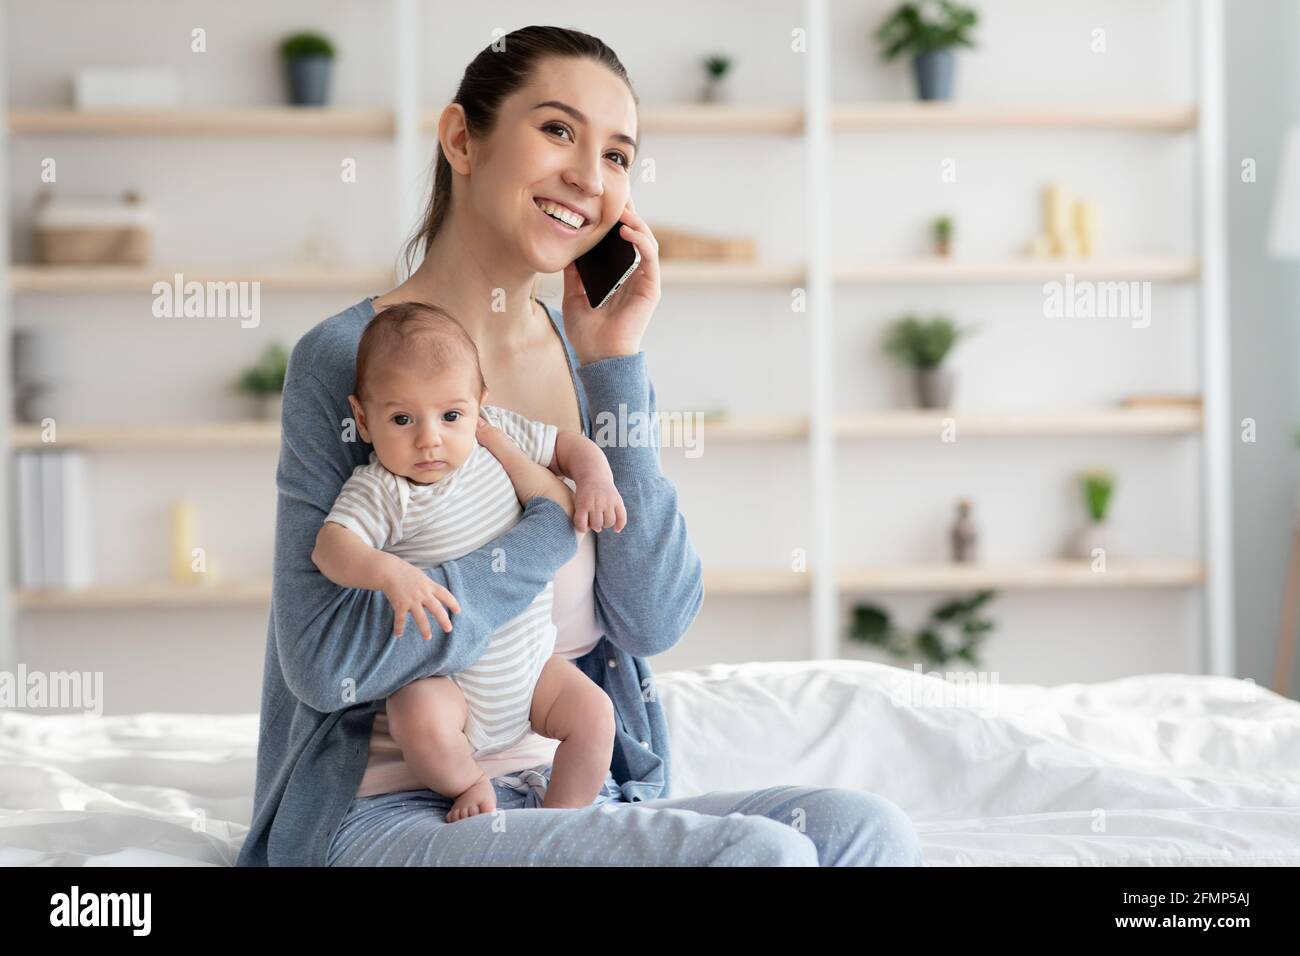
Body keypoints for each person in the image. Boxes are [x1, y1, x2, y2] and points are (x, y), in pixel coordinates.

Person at [236, 24, 924, 867]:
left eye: (618, 156)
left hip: (561, 789)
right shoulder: (349, 360)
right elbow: (323, 660)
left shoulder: (587, 359)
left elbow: (653, 617)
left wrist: (615, 365)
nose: (587, 178)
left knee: (865, 831)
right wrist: (542, 534)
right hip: (392, 812)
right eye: (558, 130)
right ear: (463, 138)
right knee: (762, 856)